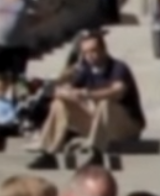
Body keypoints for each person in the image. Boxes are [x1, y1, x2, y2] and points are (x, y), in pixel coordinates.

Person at [29, 29, 145, 168]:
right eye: (85, 53)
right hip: (99, 121)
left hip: (126, 126)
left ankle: (97, 155)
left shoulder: (118, 67)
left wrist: (87, 94)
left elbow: (117, 90)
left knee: (105, 103)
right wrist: (69, 91)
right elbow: (62, 90)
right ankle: (48, 154)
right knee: (59, 104)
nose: (90, 56)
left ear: (104, 50)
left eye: (93, 50)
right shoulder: (85, 70)